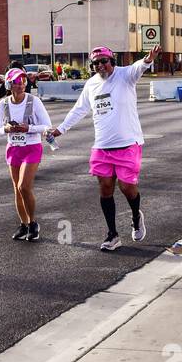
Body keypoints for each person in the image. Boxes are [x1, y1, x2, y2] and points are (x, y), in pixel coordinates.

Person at [47, 44, 159, 250]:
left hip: (127, 144)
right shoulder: (91, 85)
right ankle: (112, 234)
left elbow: (139, 67)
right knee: (105, 189)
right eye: (96, 63)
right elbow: (79, 109)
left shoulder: (125, 76)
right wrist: (60, 129)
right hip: (102, 146)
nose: (100, 66)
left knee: (127, 188)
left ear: (112, 61)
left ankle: (135, 216)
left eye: (104, 61)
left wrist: (147, 60)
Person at [0, 66, 53, 242]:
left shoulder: (34, 102)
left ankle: (33, 223)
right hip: (13, 149)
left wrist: (29, 128)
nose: (21, 85)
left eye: (23, 81)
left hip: (32, 147)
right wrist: (7, 128)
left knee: (24, 186)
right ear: (9, 85)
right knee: (16, 190)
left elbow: (47, 126)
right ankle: (23, 224)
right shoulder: (3, 104)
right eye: (17, 82)